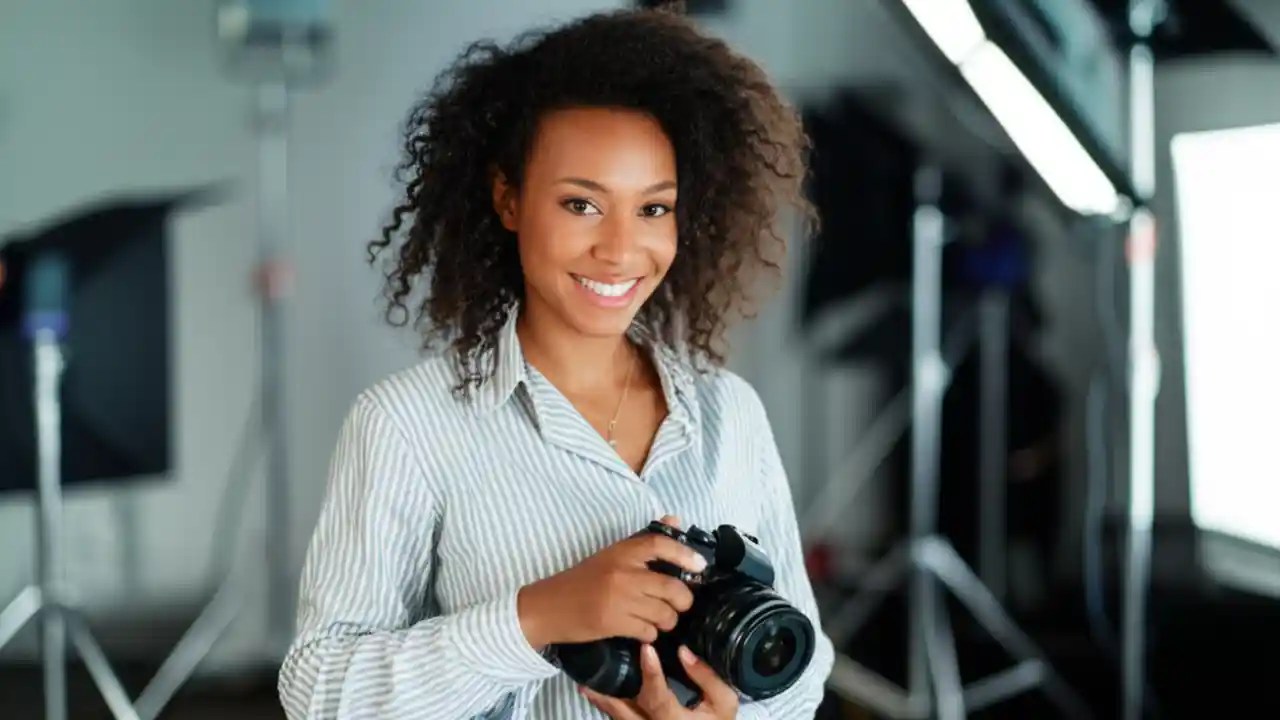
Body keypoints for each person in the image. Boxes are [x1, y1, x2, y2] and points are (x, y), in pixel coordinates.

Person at [278, 6, 834, 719]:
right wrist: (535, 617)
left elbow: (803, 666)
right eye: (581, 204)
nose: (621, 250)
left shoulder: (730, 412)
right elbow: (320, 691)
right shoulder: (408, 425)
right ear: (509, 198)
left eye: (654, 209)